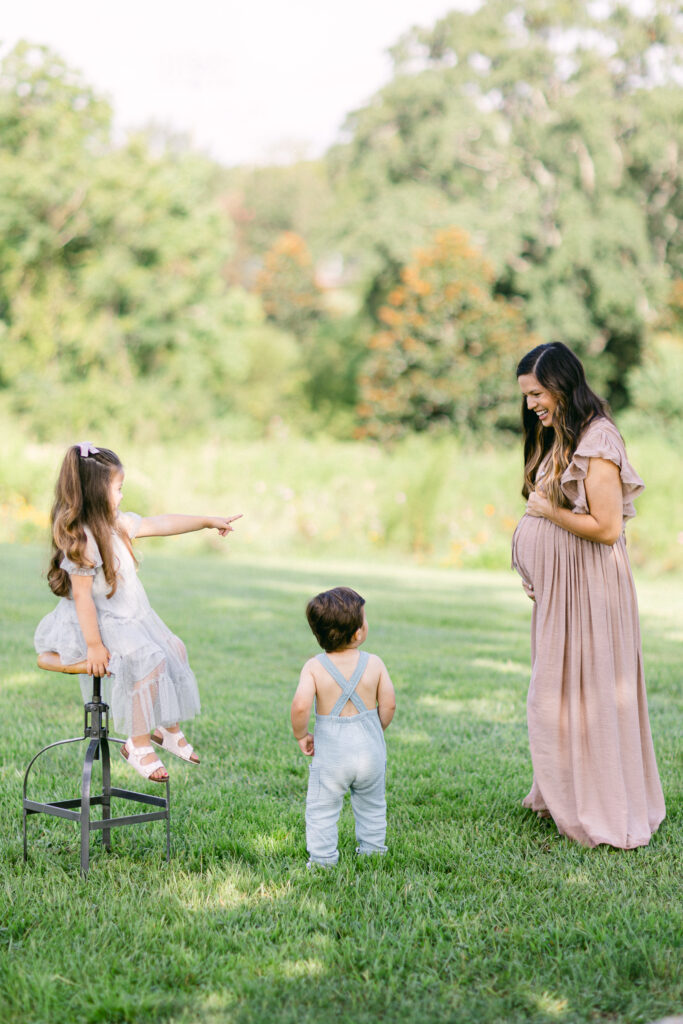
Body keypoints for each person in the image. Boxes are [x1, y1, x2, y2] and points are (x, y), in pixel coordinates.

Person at [511, 343, 665, 848]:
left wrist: (545, 512)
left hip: (592, 590)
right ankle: (566, 796)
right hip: (565, 593)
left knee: (589, 693)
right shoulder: (562, 434)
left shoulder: (598, 440)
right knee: (558, 694)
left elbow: (604, 527)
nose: (532, 404)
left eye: (536, 393)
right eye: (527, 396)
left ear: (560, 383)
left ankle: (601, 807)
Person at [34, 442, 242, 783]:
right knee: (146, 658)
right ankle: (137, 742)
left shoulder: (117, 524)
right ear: (94, 491)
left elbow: (162, 523)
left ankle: (167, 727)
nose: (121, 495)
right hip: (98, 625)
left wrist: (206, 520)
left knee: (174, 648)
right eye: (117, 489)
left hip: (132, 618)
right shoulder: (83, 538)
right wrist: (95, 646)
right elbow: (84, 600)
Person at [291, 587, 396, 866]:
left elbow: (300, 706)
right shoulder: (374, 663)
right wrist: (375, 729)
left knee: (322, 808)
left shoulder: (314, 667)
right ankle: (373, 853)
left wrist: (302, 734)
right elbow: (389, 705)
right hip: (371, 754)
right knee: (373, 806)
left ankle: (324, 860)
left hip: (332, 757)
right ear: (358, 632)